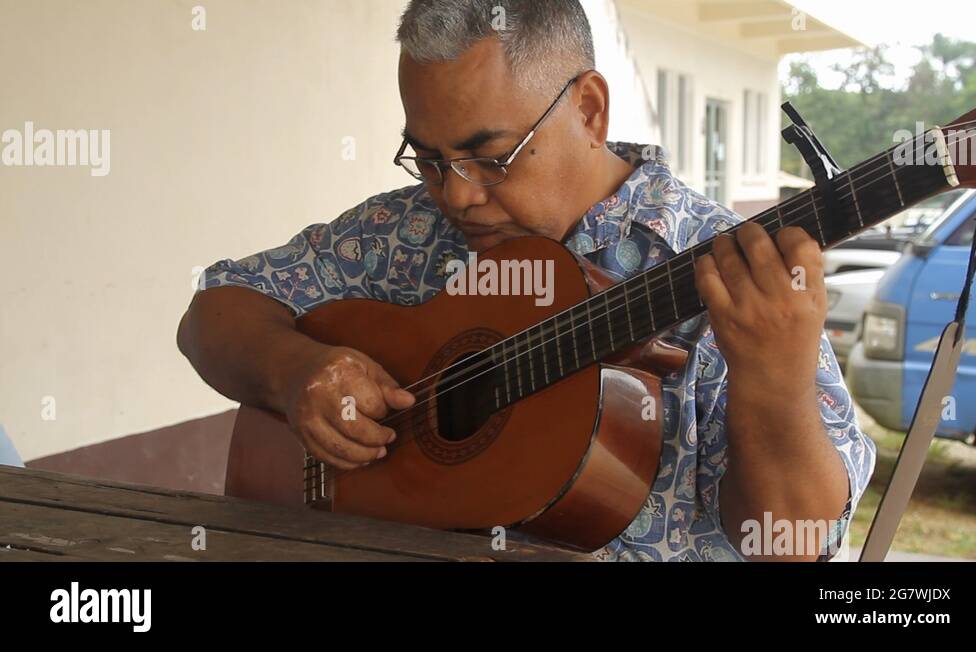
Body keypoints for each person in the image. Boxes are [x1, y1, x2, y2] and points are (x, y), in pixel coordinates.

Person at [178, 0, 875, 561]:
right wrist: (294, 371)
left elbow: (791, 545)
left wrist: (775, 382)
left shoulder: (718, 266)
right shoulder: (407, 229)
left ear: (590, 111)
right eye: (427, 158)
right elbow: (214, 312)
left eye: (490, 156)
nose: (455, 195)